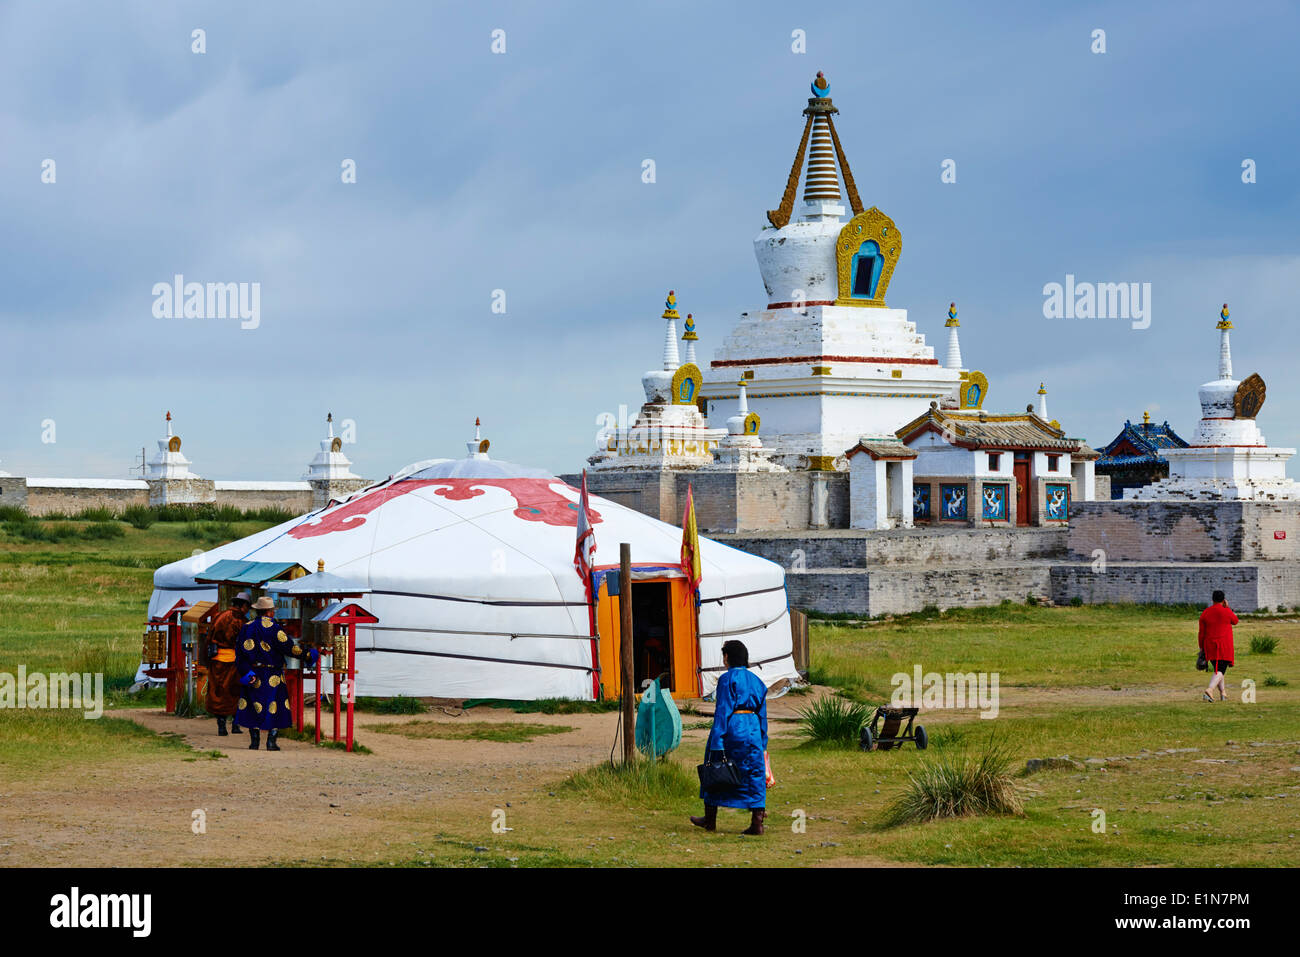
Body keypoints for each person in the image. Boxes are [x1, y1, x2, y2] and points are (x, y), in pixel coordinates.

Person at [691, 639, 769, 835]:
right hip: (752, 728)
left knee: (716, 766)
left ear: (728, 657)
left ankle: (710, 820)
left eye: (724, 655)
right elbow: (762, 714)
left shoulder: (727, 679)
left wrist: (717, 739)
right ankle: (757, 822)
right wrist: (763, 740)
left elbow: (723, 709)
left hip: (733, 727)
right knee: (754, 773)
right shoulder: (757, 681)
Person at [235, 596, 318, 751]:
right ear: (270, 612)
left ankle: (254, 742)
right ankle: (271, 742)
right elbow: (290, 648)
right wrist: (309, 655)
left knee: (253, 706)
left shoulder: (247, 627)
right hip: (272, 672)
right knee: (276, 706)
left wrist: (246, 672)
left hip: (253, 672)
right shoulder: (275, 628)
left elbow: (239, 653)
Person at [206, 591, 251, 736]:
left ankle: (221, 725)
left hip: (216, 661)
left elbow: (208, 638)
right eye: (248, 607)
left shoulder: (218, 616)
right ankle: (235, 725)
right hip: (233, 662)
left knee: (218, 692)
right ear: (243, 606)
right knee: (235, 693)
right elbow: (245, 644)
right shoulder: (242, 621)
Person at [1199, 589, 1237, 702]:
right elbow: (1235, 621)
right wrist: (1227, 607)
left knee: (1218, 670)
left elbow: (1201, 632)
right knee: (1221, 670)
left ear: (1212, 599)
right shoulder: (1226, 611)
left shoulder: (1205, 612)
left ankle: (1223, 693)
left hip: (1209, 644)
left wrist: (1201, 647)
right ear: (1223, 600)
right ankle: (1210, 690)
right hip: (1224, 644)